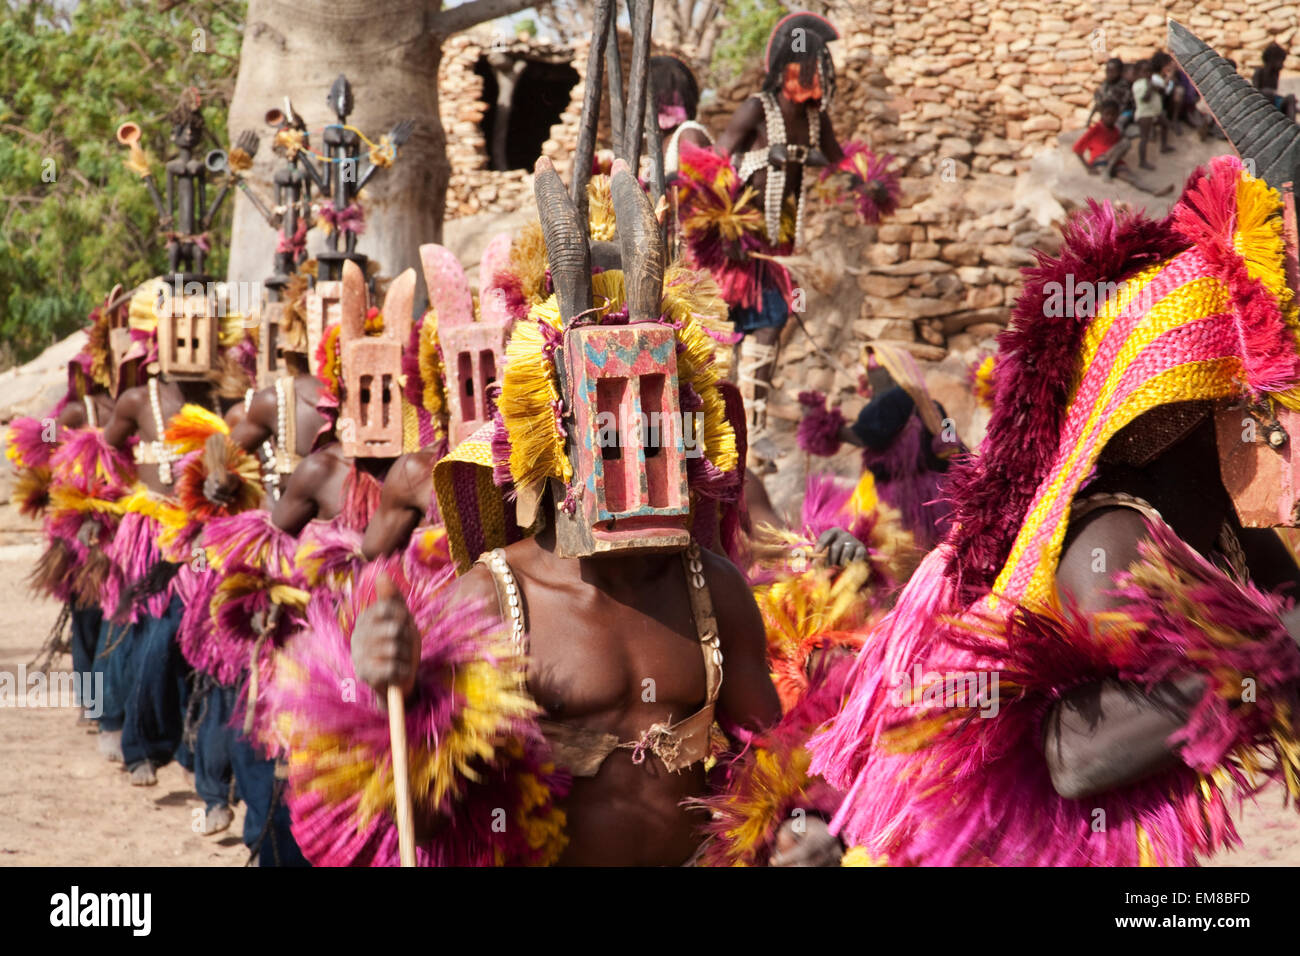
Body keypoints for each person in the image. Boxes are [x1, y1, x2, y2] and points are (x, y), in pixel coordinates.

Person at [809, 22, 1300, 867]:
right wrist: (1269, 657)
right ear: (1213, 402)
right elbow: (1072, 758)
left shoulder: (1225, 517)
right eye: (1280, 410)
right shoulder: (1113, 544)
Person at [292, 158, 839, 866]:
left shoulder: (714, 589)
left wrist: (803, 828)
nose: (636, 461)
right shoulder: (490, 602)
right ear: (550, 440)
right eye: (608, 431)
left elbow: (774, 757)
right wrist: (384, 690)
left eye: (658, 430)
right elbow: (421, 819)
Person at [1072, 99, 1130, 178]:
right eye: (1107, 114)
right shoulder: (1096, 129)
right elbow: (1077, 149)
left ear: (1117, 115)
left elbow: (1116, 151)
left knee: (1129, 176)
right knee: (1125, 143)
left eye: (1113, 115)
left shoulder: (1116, 130)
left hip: (1113, 162)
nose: (1110, 117)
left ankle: (1110, 169)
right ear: (1102, 114)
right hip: (1100, 160)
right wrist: (1088, 167)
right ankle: (1107, 170)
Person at [1131, 59, 1171, 170]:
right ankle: (1142, 162)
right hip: (1145, 114)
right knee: (1144, 138)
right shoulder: (1138, 84)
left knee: (1165, 124)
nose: (1148, 74)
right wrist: (1150, 87)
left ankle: (1164, 146)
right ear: (1138, 73)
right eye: (1145, 72)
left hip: (1155, 112)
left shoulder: (1151, 82)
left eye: (1149, 71)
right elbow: (1144, 99)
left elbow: (1162, 91)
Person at [1252, 41, 1298, 120]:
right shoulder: (1259, 72)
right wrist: (1267, 92)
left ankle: (1292, 125)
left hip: (1276, 101)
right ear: (1272, 59)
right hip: (1266, 102)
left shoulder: (1275, 74)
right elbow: (1255, 92)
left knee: (1291, 98)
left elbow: (1275, 92)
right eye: (1281, 61)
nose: (1282, 65)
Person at [1084, 57, 1132, 131]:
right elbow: (1097, 105)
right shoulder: (1104, 86)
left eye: (1113, 71)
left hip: (1121, 115)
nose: (1109, 74)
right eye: (1108, 71)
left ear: (1120, 71)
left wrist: (1113, 117)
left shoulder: (1124, 86)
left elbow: (1124, 104)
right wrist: (1089, 120)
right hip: (1107, 115)